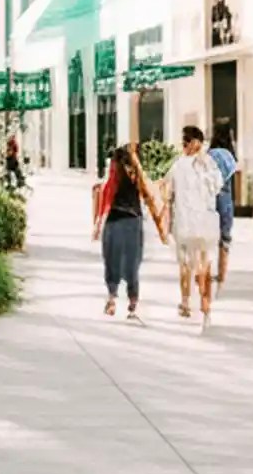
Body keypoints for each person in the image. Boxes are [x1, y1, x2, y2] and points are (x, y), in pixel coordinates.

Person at [93, 144, 164, 320]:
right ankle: (131, 303)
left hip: (117, 221)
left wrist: (97, 223)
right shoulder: (134, 176)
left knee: (113, 262)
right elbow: (149, 197)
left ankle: (113, 298)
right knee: (131, 264)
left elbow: (103, 198)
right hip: (131, 221)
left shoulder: (117, 177)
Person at [163, 126, 223, 327]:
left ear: (196, 142)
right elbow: (218, 187)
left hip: (186, 224)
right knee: (203, 267)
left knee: (186, 266)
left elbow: (167, 194)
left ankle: (187, 302)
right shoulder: (209, 164)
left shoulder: (179, 165)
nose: (185, 145)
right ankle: (204, 307)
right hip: (205, 224)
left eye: (186, 141)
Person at [208, 122, 237, 285]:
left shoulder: (209, 154)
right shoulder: (229, 156)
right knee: (225, 238)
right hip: (225, 198)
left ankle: (206, 270)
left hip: (210, 198)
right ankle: (222, 274)